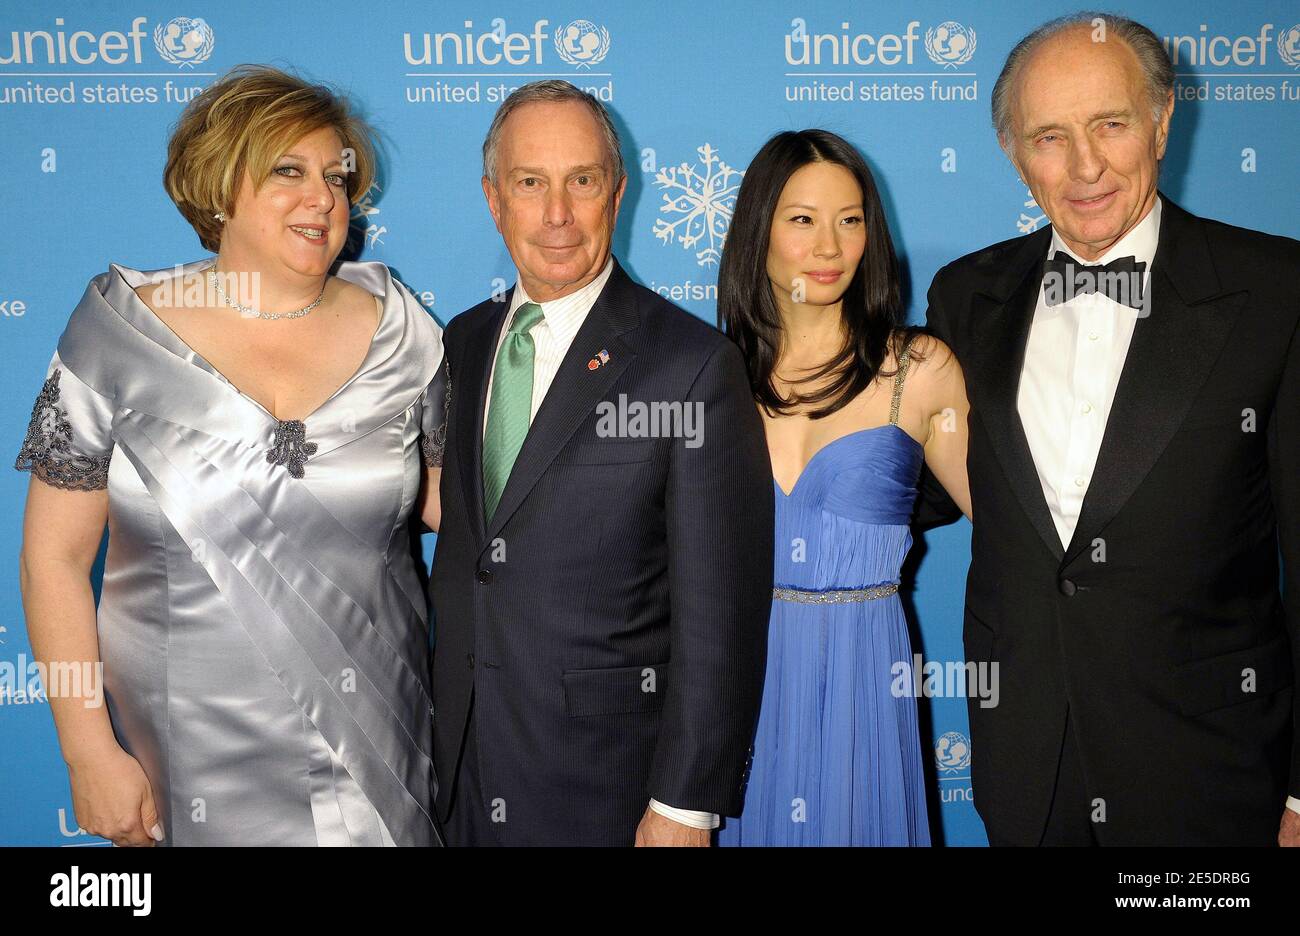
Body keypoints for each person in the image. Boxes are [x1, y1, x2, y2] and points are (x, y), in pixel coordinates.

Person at [15, 65, 446, 846]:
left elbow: (466, 510)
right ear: (219, 187)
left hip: (378, 742)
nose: (323, 197)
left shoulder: (407, 336)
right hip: (185, 756)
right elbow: (52, 558)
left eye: (337, 178)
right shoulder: (119, 335)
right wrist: (86, 751)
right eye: (289, 170)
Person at [917, 12, 1300, 845]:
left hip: (1209, 772)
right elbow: (925, 483)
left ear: (1162, 123)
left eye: (1111, 125)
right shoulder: (962, 298)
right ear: (1014, 153)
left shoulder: (1278, 291)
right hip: (1027, 767)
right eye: (1049, 137)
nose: (1084, 165)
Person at [429, 80, 773, 846]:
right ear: (494, 199)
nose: (557, 213)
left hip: (605, 786)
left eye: (581, 181)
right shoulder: (461, 343)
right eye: (530, 183)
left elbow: (722, 608)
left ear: (617, 194)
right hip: (460, 772)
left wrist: (685, 805)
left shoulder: (690, 365)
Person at [715, 130, 971, 846]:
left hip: (865, 678)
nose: (830, 247)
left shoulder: (919, 370)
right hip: (738, 684)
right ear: (757, 231)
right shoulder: (706, 378)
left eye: (850, 220)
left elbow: (1030, 530)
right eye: (802, 220)